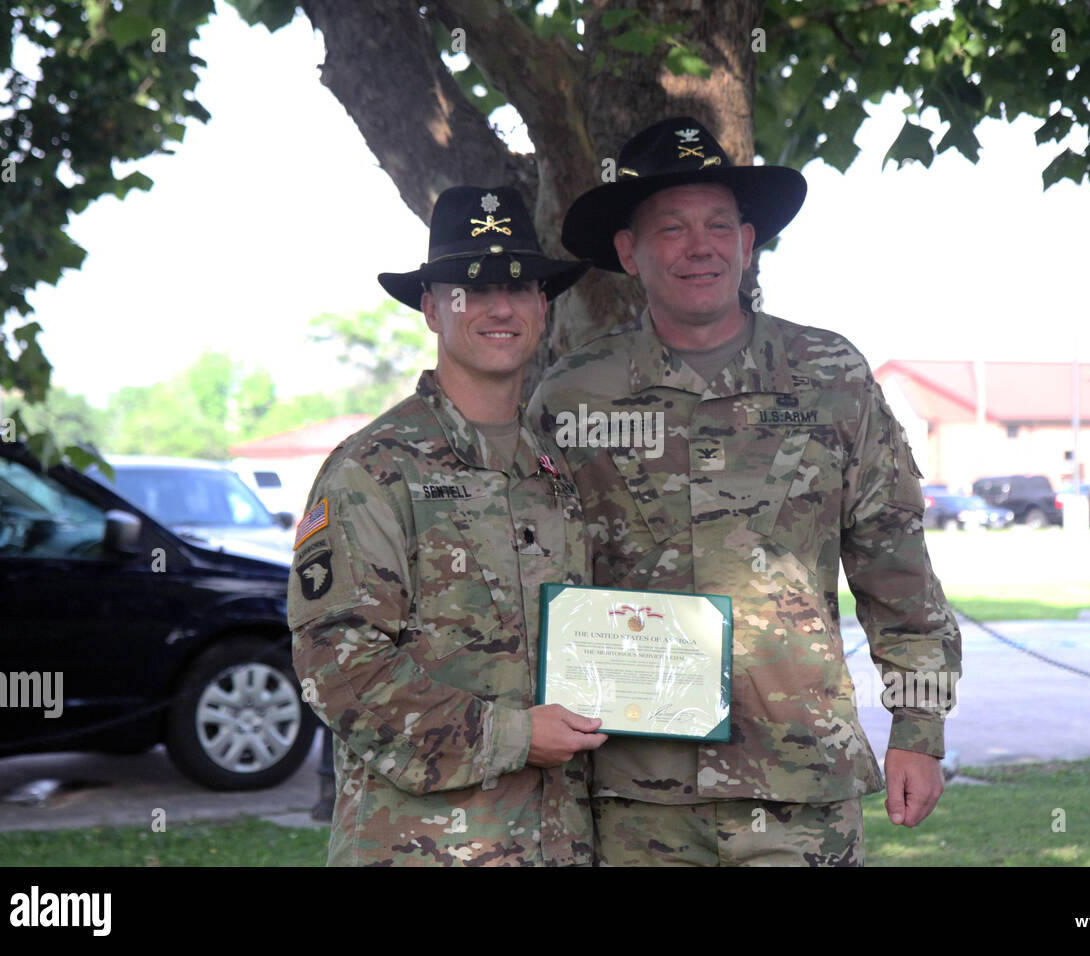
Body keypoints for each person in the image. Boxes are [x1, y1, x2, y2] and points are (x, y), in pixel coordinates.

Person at [527, 117, 963, 866]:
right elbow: (530, 569)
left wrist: (919, 732)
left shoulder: (829, 375)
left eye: (719, 225)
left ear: (748, 241)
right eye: (671, 228)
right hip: (634, 788)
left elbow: (897, 570)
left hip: (798, 782)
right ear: (630, 252)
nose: (700, 247)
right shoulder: (573, 396)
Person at [289, 185, 607, 866]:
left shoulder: (559, 474)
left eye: (519, 287)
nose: (498, 306)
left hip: (558, 846)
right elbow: (338, 668)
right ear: (432, 309)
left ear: (542, 307)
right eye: (471, 287)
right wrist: (513, 737)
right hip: (420, 850)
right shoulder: (372, 470)